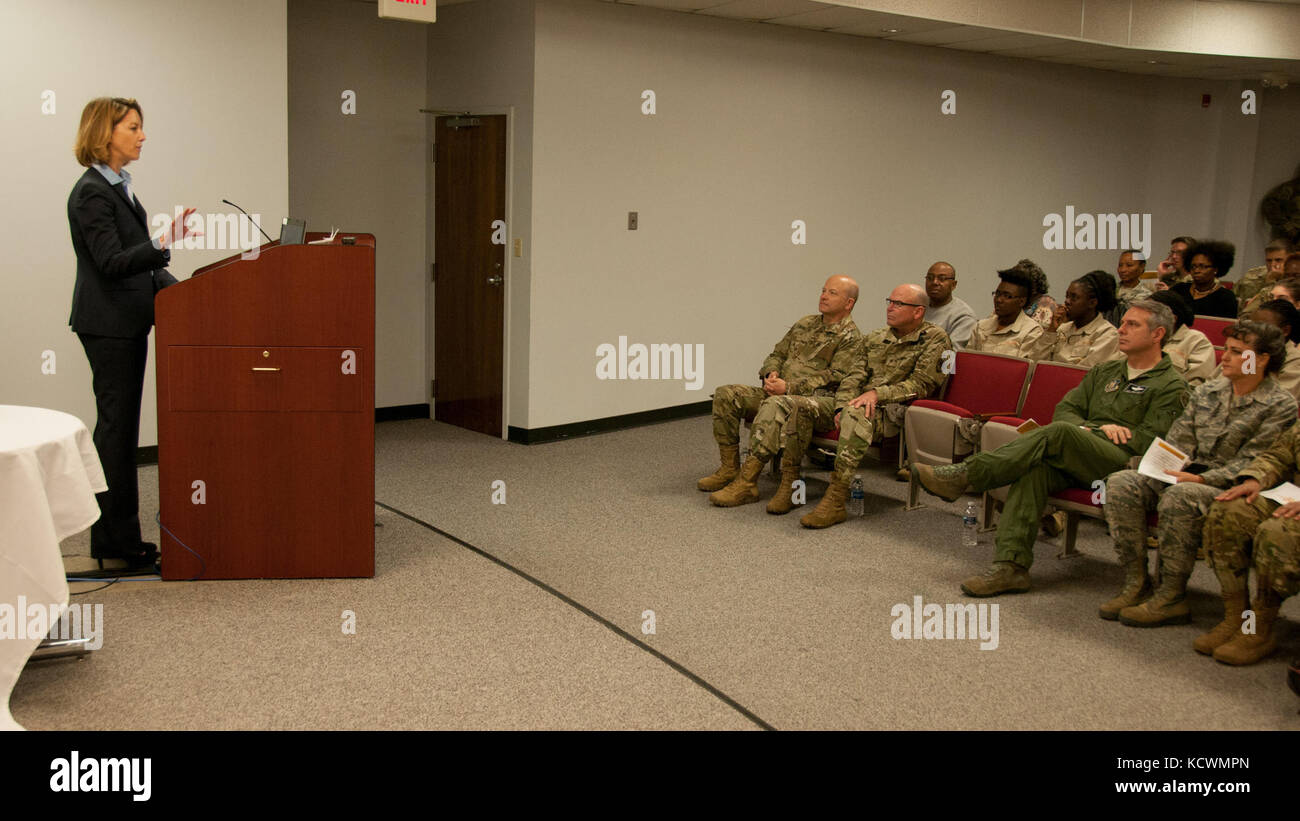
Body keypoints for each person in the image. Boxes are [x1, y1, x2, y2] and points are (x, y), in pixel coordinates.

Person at [914, 300, 1188, 597]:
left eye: (1132, 325)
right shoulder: (1105, 372)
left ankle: (965, 474)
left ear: (1158, 334)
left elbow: (1152, 441)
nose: (1120, 329)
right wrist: (1091, 430)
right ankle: (1010, 567)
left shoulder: (1171, 386)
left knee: (1060, 433)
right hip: (1078, 454)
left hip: (1122, 467)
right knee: (1035, 470)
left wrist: (1090, 430)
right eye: (1122, 323)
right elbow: (1066, 409)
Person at [68, 97, 198, 569]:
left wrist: (188, 292)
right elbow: (111, 263)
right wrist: (163, 244)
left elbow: (133, 263)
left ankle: (117, 540)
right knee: (116, 434)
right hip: (109, 326)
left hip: (125, 321)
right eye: (134, 127)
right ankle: (115, 543)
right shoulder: (92, 193)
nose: (142, 136)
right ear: (106, 133)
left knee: (120, 433)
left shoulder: (118, 187)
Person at [1102, 321, 1295, 626]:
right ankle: (1136, 582)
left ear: (1262, 359)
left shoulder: (1280, 405)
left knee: (1183, 496)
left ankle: (1171, 595)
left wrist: (1202, 479)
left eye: (1236, 352)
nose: (1225, 357)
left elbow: (1256, 460)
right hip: (1187, 474)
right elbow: (1179, 440)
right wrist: (1159, 467)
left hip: (1229, 486)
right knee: (1122, 483)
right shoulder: (1209, 391)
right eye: (1226, 350)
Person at [735, 284, 950, 527]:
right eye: (889, 301)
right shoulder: (876, 337)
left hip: (892, 410)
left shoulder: (936, 339)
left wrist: (877, 394)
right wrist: (839, 406)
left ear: (918, 312)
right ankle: (790, 484)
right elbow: (853, 375)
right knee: (798, 405)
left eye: (899, 304)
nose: (890, 307)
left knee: (855, 412)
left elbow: (923, 384)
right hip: (853, 402)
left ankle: (836, 499)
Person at [698, 276, 862, 498]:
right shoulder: (805, 323)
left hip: (815, 401)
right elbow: (777, 354)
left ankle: (747, 483)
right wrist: (770, 373)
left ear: (849, 303)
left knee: (776, 403)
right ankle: (729, 469)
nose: (823, 296)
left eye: (832, 293)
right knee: (727, 394)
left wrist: (789, 387)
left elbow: (836, 376)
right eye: (823, 290)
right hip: (778, 391)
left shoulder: (851, 337)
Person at [1201, 421, 1300, 664]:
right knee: (1229, 509)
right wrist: (1255, 479)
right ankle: (1237, 615)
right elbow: (1280, 453)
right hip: (1293, 497)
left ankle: (1259, 626)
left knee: (1277, 531)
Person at [1024, 271, 1120, 366]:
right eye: (1067, 296)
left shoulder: (1107, 334)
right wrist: (1051, 331)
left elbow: (1086, 374)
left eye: (1073, 298)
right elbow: (1034, 363)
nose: (1067, 302)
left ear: (1092, 303)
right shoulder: (1062, 328)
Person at [967, 268, 1044, 356]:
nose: (999, 300)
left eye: (1007, 296)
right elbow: (968, 360)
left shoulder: (1031, 331)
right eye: (997, 294)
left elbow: (1024, 367)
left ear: (1022, 301)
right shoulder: (981, 326)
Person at [1147, 290, 1217, 387]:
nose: (1145, 319)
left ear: (1172, 318)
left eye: (1151, 314)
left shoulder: (1195, 340)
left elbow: (1196, 383)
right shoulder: (1140, 336)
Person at [1171, 240, 1238, 318]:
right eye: (1193, 266)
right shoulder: (1178, 289)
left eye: (1203, 266)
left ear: (1215, 269)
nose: (1196, 271)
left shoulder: (1225, 298)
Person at [1250, 299, 1300, 402]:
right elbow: (1213, 384)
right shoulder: (1244, 350)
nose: (1253, 331)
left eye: (1262, 327)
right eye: (1252, 325)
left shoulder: (1295, 361)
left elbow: (1279, 402)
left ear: (1285, 331)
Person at [921, 261, 976, 348]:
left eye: (942, 279)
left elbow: (951, 355)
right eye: (930, 278)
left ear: (953, 285)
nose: (934, 282)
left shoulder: (963, 316)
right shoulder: (917, 304)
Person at [1234, 239, 1291, 307]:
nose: (1273, 264)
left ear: (1290, 259)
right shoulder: (1253, 275)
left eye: (1278, 260)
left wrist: (1271, 282)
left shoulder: (1295, 276)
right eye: (1269, 261)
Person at [1106, 250, 1153, 327]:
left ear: (1142, 267)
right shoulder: (1110, 291)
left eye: (1129, 265)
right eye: (1120, 265)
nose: (1123, 270)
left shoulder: (1148, 297)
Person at [1014, 259, 1057, 328]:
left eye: (1017, 283)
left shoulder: (1046, 304)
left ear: (1033, 287)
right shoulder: (1016, 302)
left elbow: (1038, 336)